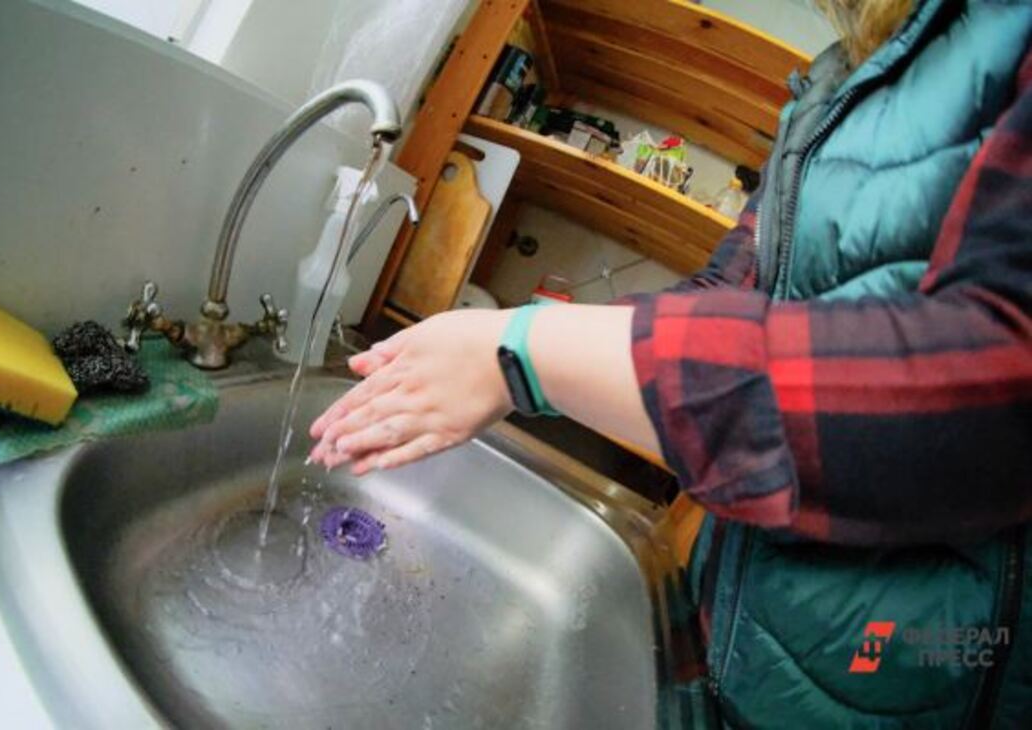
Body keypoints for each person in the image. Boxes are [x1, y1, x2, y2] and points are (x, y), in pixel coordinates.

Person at [311, 0, 1032, 726]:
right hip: (740, 643)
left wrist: (527, 351)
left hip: (916, 685)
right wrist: (516, 347)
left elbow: (993, 376)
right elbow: (731, 290)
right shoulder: (836, 80)